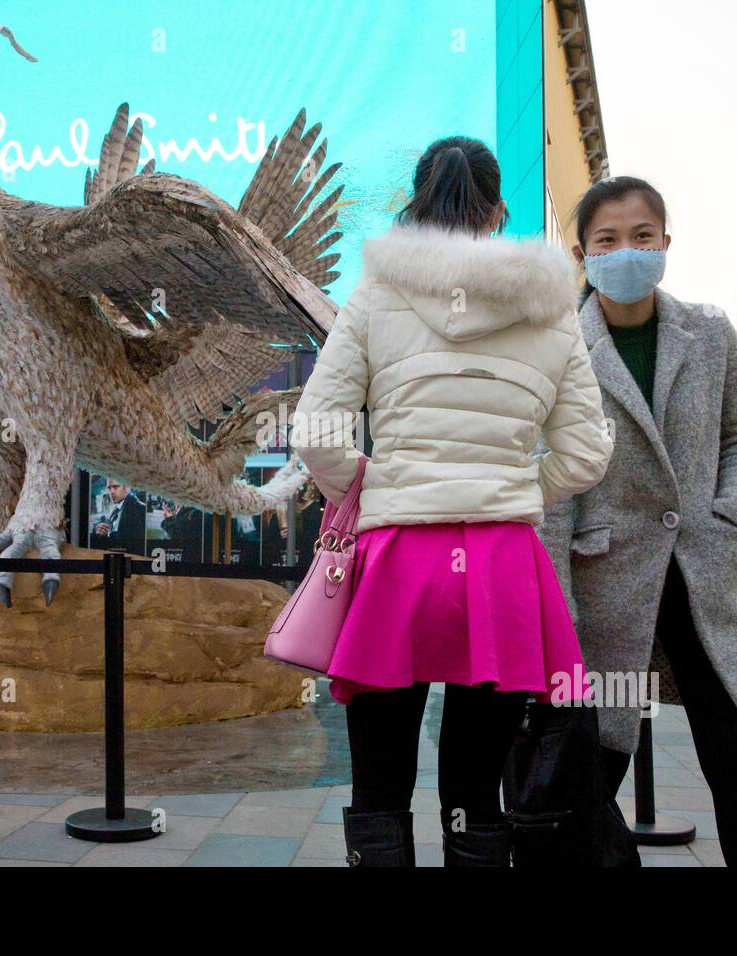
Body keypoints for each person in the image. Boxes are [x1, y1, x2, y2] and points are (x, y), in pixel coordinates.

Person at [292, 136, 613, 867]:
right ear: (499, 212)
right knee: (474, 782)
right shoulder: (553, 309)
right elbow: (587, 452)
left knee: (380, 780)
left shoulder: (375, 297)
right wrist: (510, 488)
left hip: (396, 561)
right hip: (501, 566)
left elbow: (315, 431)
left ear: (415, 202)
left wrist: (376, 484)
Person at [542, 175, 737, 867]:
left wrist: (730, 516)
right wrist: (556, 605)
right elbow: (552, 480)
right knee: (592, 768)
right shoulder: (561, 349)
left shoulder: (708, 332)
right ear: (582, 253)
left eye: (642, 237)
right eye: (608, 240)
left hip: (703, 577)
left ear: (666, 243)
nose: (627, 252)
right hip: (607, 586)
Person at [91, 478, 146, 553]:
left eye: (115, 487)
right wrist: (99, 532)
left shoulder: (138, 508)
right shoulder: (117, 509)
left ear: (127, 488)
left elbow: (136, 544)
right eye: (109, 488)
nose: (111, 492)